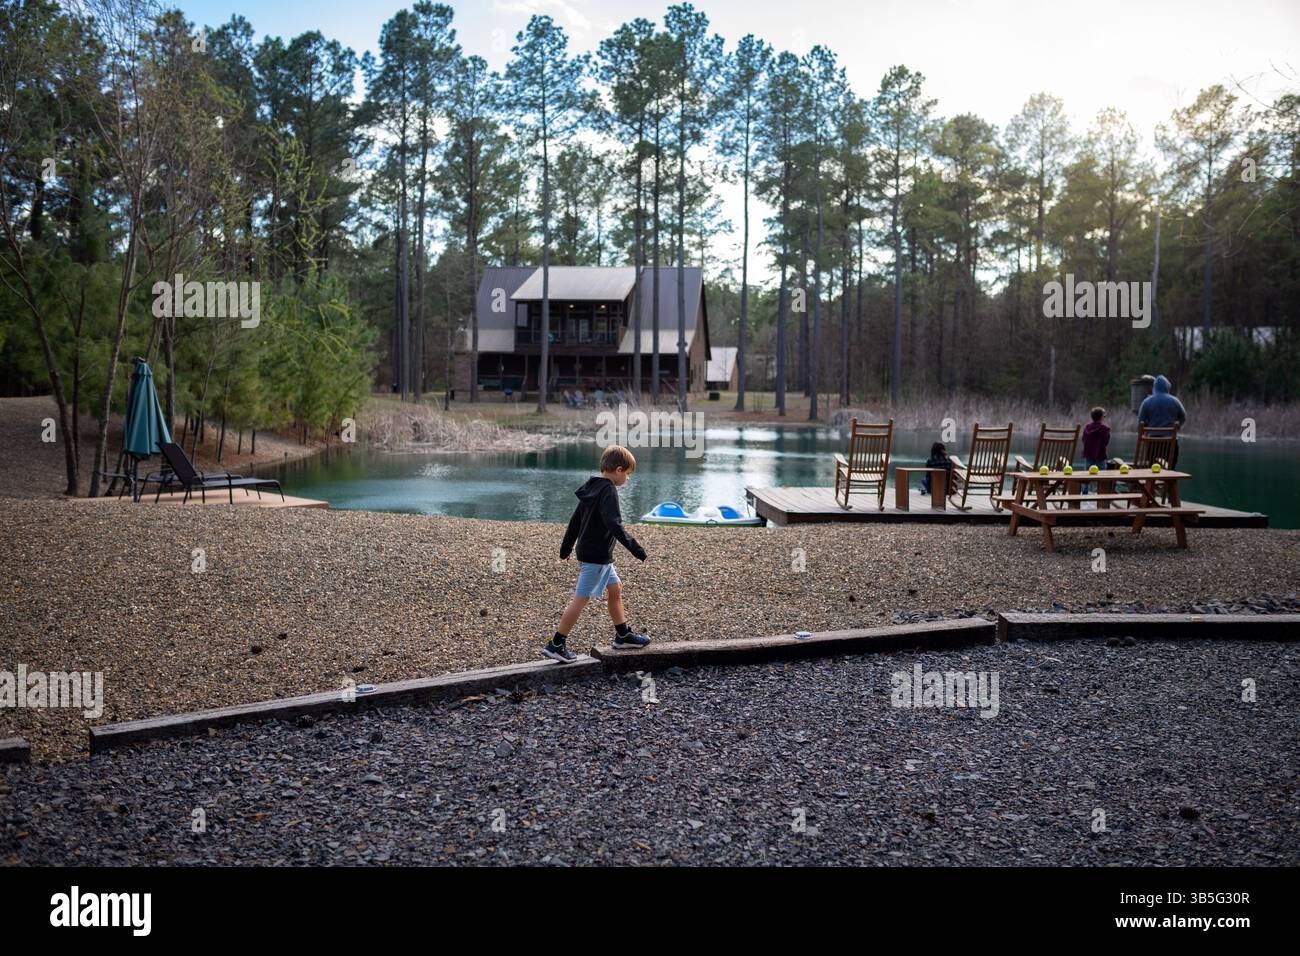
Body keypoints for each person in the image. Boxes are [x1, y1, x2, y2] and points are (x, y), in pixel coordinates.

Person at [543, 445, 650, 663]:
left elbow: (574, 522)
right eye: (628, 474)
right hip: (596, 555)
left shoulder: (591, 486)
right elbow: (614, 524)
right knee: (581, 599)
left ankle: (622, 635)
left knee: (615, 587)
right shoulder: (608, 490)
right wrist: (635, 548)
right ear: (619, 470)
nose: (627, 479)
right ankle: (556, 644)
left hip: (593, 553)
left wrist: (566, 548)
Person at [1137, 374, 1186, 468]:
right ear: (1167, 387)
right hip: (1170, 445)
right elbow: (1183, 417)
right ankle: (1170, 476)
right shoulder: (1175, 401)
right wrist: (1178, 426)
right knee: (1171, 466)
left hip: (1152, 445)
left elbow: (1140, 422)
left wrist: (1147, 427)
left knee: (1152, 465)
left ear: (1154, 388)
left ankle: (1152, 478)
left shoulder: (1147, 402)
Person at [1081, 406, 1110, 494]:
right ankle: (1102, 492)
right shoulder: (1105, 429)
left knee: (1087, 474)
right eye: (1104, 416)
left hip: (1088, 453)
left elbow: (1083, 439)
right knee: (1102, 475)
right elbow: (1106, 442)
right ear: (1101, 417)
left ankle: (1085, 491)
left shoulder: (1087, 428)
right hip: (1100, 455)